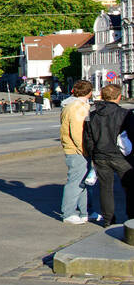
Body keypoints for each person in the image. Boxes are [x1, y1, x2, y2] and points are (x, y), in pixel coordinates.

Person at [83, 83, 131, 226]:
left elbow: (88, 137)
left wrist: (93, 154)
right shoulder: (125, 114)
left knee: (105, 188)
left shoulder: (91, 115)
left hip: (100, 156)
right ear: (119, 97)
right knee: (130, 187)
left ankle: (108, 219)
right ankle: (131, 217)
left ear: (102, 96)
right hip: (122, 157)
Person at [59, 81, 93, 224]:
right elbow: (78, 133)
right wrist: (85, 150)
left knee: (81, 182)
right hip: (77, 150)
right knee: (75, 182)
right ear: (89, 92)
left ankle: (84, 212)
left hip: (74, 149)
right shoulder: (78, 108)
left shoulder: (70, 105)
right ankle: (68, 213)